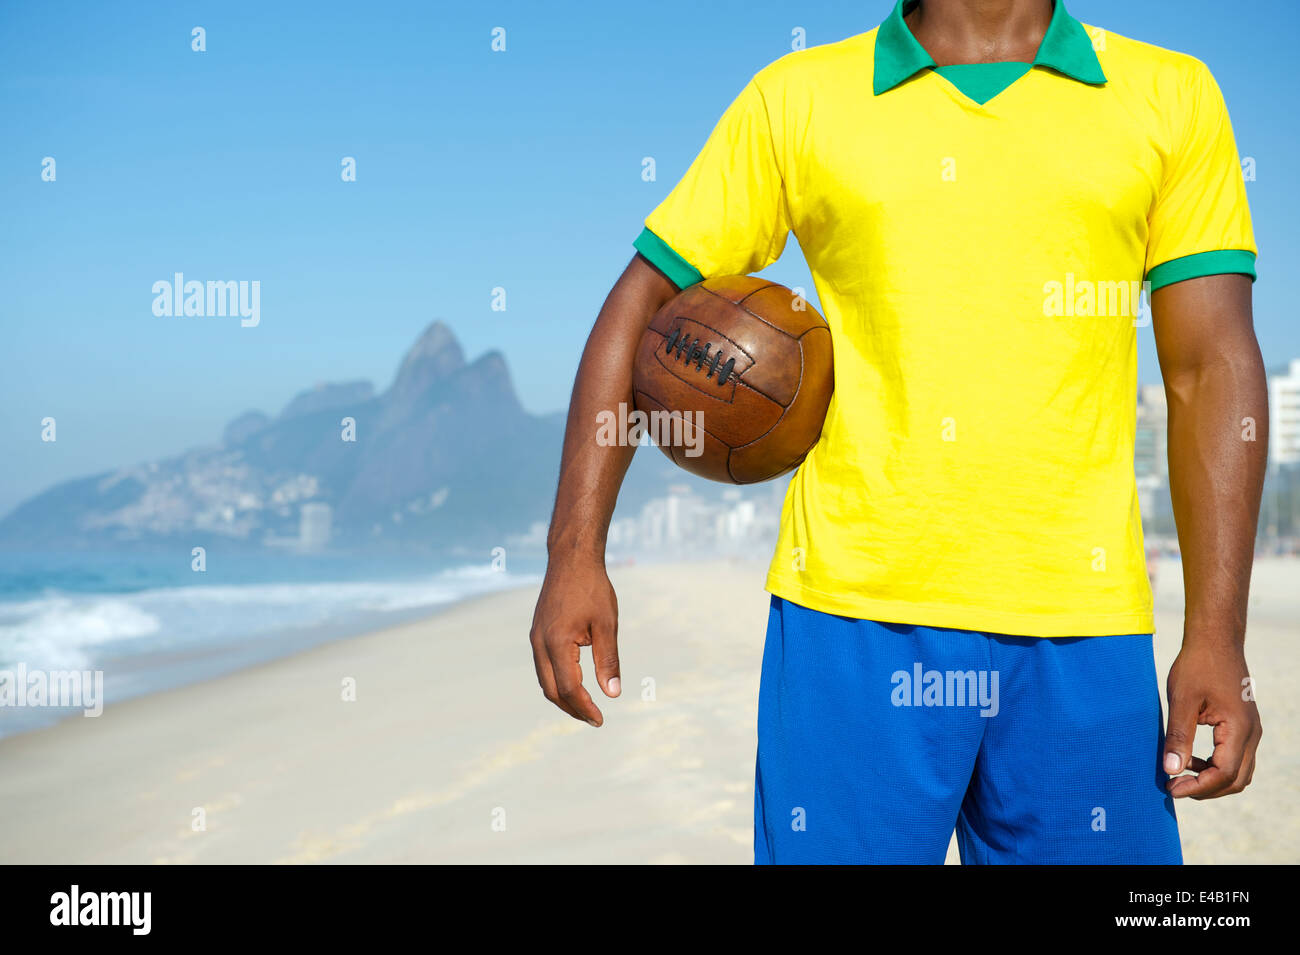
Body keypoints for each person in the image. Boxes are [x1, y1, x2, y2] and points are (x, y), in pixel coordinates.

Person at [529, 0, 1265, 863]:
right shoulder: (798, 97)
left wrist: (1217, 631)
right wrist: (573, 552)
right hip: (849, 621)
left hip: (1084, 627)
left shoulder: (1169, 93)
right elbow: (641, 301)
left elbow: (1210, 366)